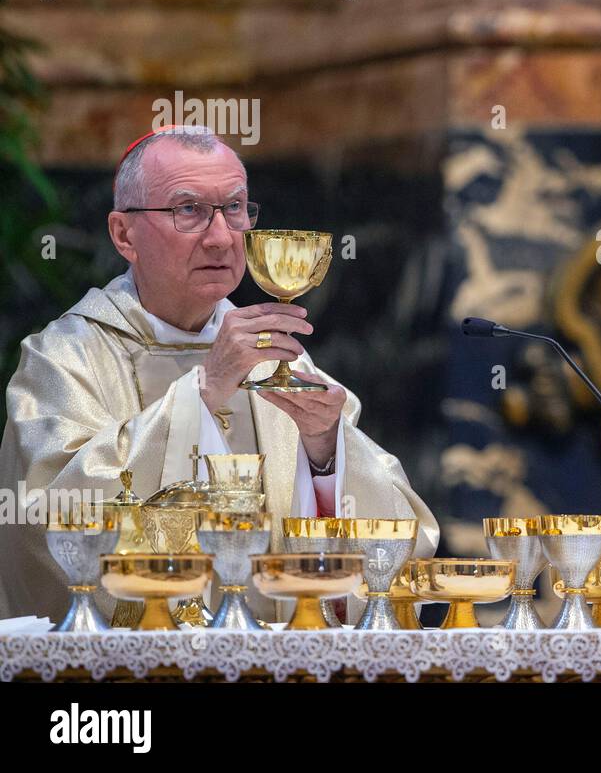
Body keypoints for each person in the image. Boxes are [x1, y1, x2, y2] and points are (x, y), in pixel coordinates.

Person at [0, 125, 439, 622]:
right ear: (124, 234)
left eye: (234, 209)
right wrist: (201, 394)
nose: (219, 237)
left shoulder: (277, 360)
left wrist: (324, 454)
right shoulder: (64, 357)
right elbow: (51, 517)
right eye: (188, 210)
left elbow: (399, 539)